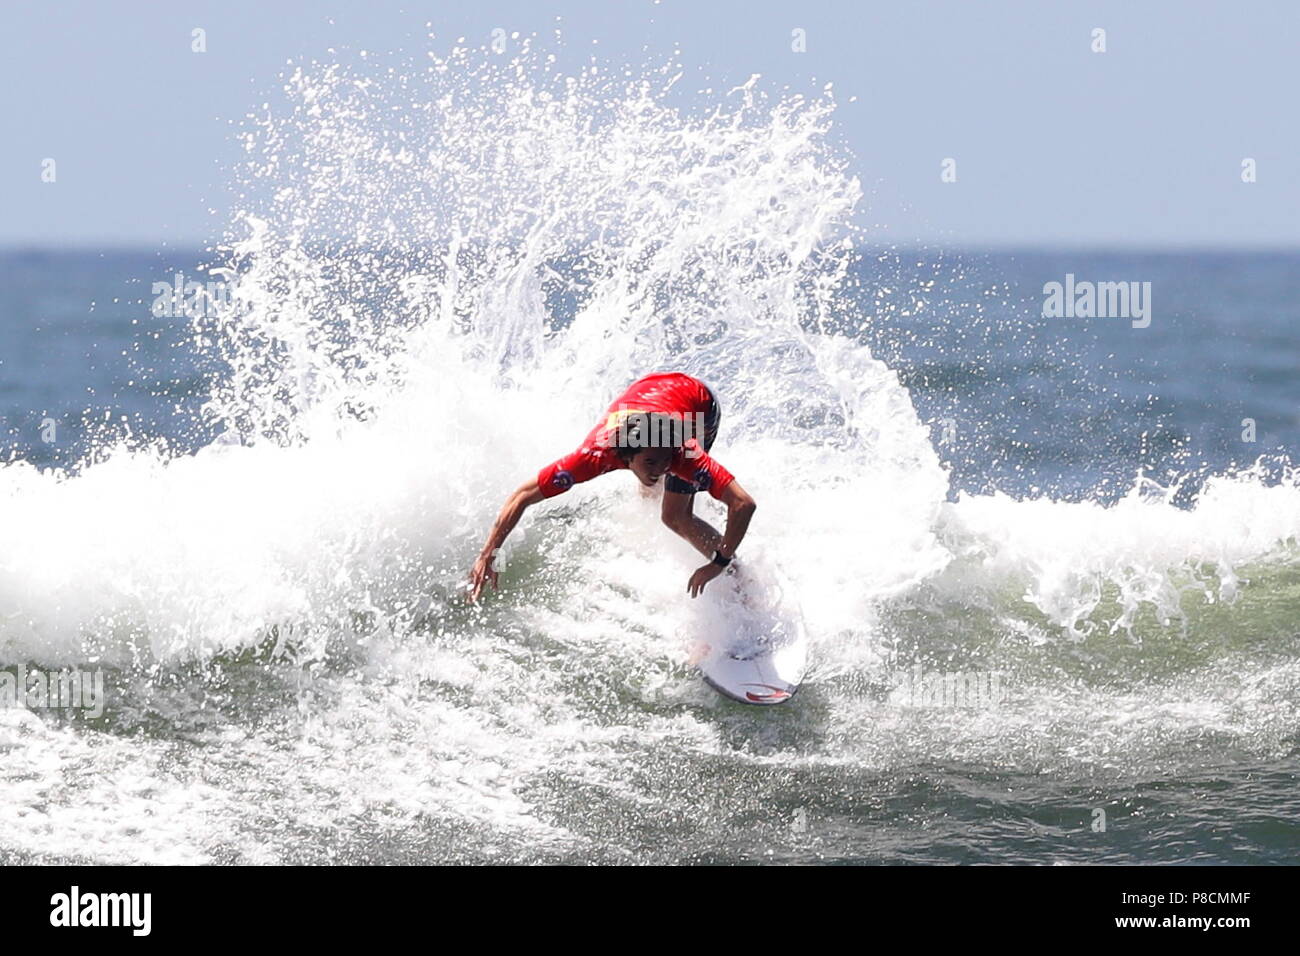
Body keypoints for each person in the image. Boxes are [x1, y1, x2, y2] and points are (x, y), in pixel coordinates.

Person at [469, 372, 756, 601]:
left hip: (699, 407)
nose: (663, 468)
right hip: (650, 391)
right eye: (652, 462)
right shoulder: (593, 457)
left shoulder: (683, 453)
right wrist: (489, 554)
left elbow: (743, 503)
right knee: (650, 492)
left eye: (667, 460)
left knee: (673, 516)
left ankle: (738, 576)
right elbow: (522, 496)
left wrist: (718, 562)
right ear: (625, 458)